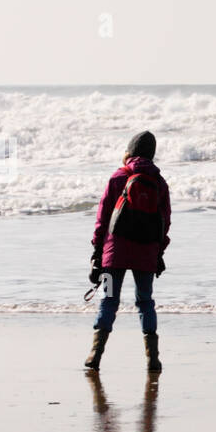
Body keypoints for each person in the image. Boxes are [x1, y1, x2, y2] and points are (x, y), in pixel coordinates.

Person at [84, 130, 171, 372]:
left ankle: (95, 354)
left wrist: (96, 253)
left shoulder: (116, 179)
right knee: (145, 302)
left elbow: (102, 220)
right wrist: (159, 253)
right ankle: (152, 358)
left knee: (108, 300)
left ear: (129, 151)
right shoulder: (160, 184)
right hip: (146, 256)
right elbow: (165, 222)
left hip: (114, 256)